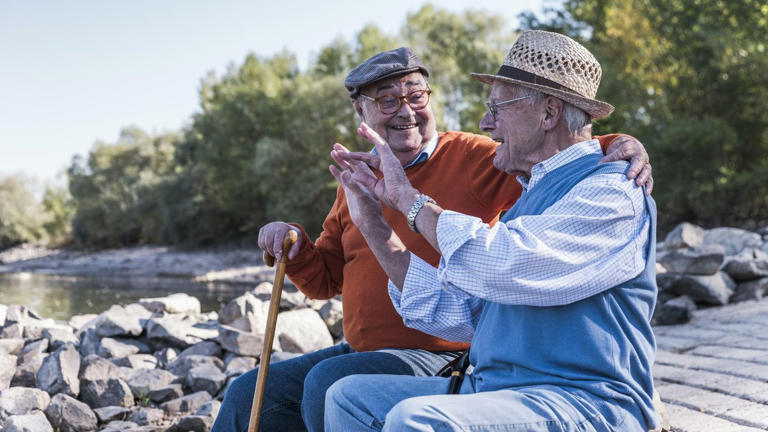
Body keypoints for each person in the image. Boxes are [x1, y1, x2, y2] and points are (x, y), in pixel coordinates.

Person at [213, 46, 654, 432]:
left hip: (517, 378)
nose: (486, 122)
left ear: (549, 112)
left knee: (332, 386)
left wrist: (618, 143)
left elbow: (564, 161)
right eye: (387, 100)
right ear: (362, 114)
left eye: (416, 96)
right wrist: (319, 238)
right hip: (465, 371)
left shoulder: (528, 170)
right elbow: (332, 281)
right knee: (257, 393)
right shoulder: (362, 180)